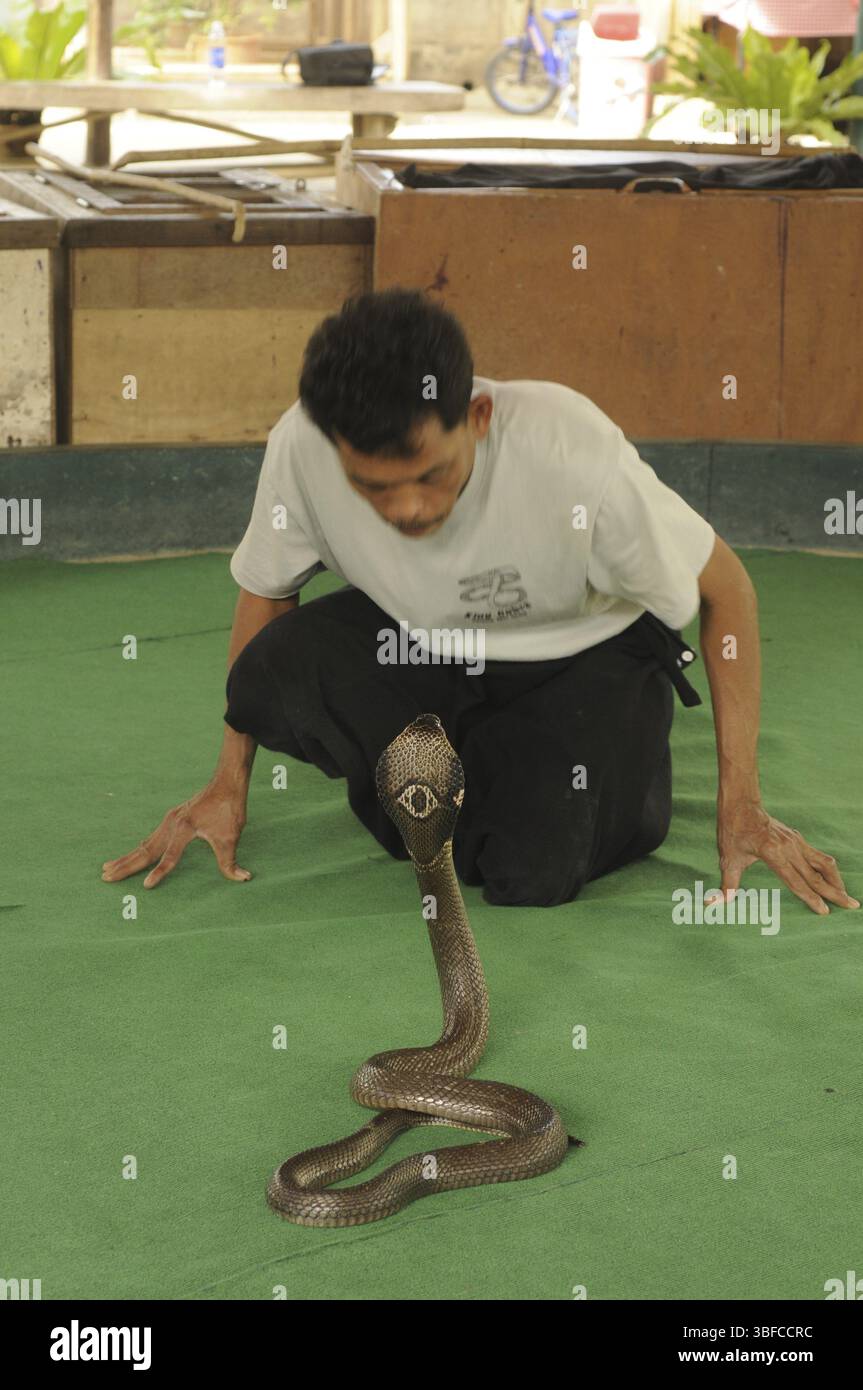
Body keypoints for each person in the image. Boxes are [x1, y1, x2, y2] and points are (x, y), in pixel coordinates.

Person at [102, 288, 858, 913]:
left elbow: (728, 593)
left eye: (429, 475)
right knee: (273, 672)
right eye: (374, 487)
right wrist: (227, 783)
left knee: (529, 874)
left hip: (584, 650)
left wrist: (742, 803)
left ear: (478, 418)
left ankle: (587, 775)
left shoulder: (569, 452)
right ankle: (458, 776)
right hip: (426, 643)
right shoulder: (302, 448)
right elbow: (268, 592)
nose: (405, 510)